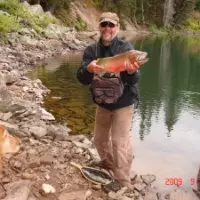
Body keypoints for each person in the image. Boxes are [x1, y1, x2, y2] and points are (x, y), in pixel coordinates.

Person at [77, 12, 141, 190]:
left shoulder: (126, 48)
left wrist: (131, 71)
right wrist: (89, 69)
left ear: (117, 28)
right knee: (99, 140)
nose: (107, 28)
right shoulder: (91, 51)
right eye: (104, 24)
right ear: (99, 27)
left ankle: (123, 182)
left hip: (124, 103)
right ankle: (109, 164)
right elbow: (82, 79)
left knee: (120, 143)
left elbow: (134, 81)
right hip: (103, 103)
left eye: (111, 25)